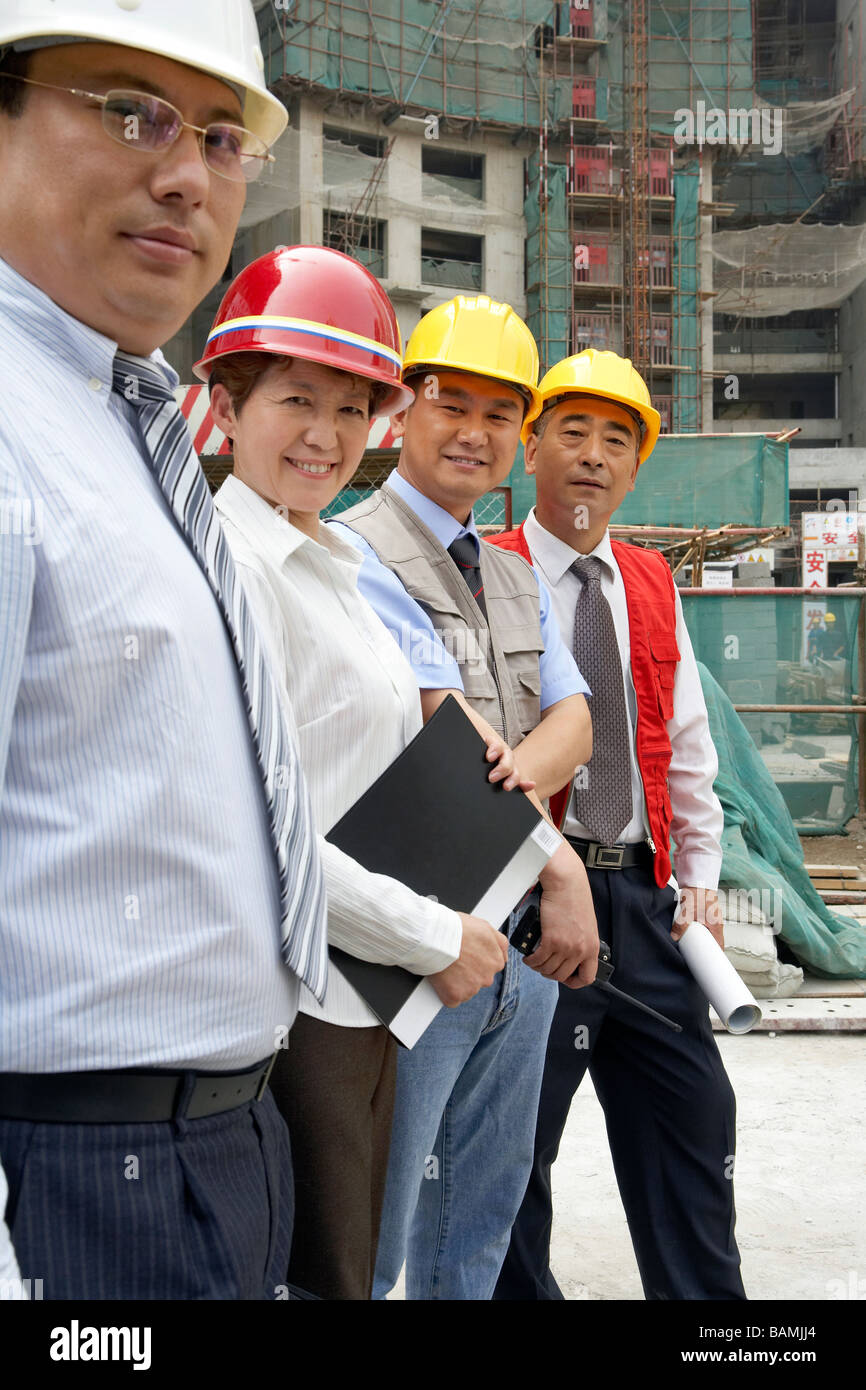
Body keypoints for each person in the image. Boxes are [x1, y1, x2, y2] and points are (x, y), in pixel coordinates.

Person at [0, 0, 326, 1300]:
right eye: (128, 110)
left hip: (221, 1146)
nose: (186, 173)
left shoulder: (117, 418)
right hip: (76, 1177)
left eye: (218, 133)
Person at [198, 244, 514, 1299]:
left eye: (349, 408)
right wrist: (432, 935)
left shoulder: (331, 561)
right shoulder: (231, 575)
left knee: (355, 1271)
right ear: (227, 405)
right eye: (296, 399)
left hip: (369, 999)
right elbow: (249, 831)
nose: (326, 436)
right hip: (296, 1014)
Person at [331, 293, 599, 1300]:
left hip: (516, 947)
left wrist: (522, 831)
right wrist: (559, 857)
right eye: (453, 404)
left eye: (500, 414)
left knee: (476, 1225)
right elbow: (438, 728)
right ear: (405, 409)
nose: (475, 432)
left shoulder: (512, 572)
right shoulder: (350, 550)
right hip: (414, 939)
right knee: (378, 1228)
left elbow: (572, 724)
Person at [489, 348, 747, 1300]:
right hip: (528, 904)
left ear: (636, 467)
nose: (593, 456)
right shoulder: (485, 570)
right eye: (572, 431)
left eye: (616, 439)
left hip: (643, 903)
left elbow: (684, 746)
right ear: (530, 447)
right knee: (513, 1159)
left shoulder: (649, 581)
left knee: (693, 1127)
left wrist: (704, 889)